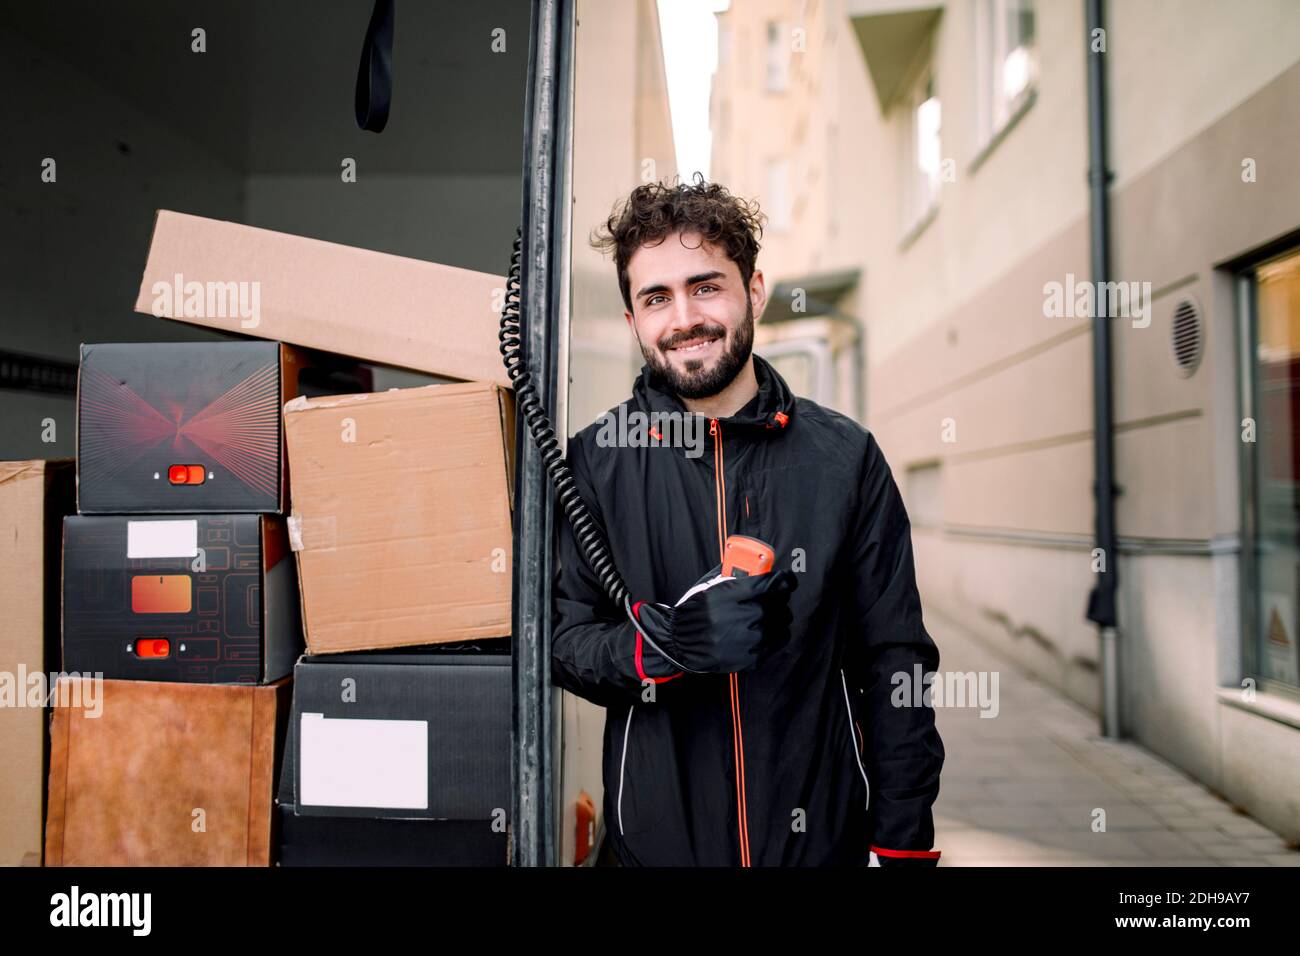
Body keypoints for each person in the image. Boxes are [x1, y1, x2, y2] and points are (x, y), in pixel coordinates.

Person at [553, 175, 944, 867]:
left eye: (706, 286)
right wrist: (666, 648)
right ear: (632, 322)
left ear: (754, 291)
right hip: (655, 852)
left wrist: (904, 841)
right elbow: (561, 641)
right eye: (656, 298)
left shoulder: (844, 458)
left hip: (819, 847)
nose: (684, 319)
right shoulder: (592, 464)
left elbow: (894, 660)